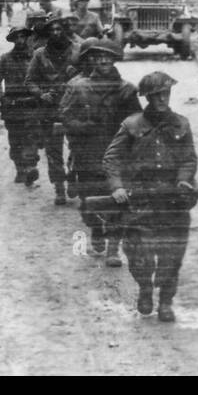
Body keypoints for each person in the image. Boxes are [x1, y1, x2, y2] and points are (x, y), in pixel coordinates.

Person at [104, 71, 198, 322]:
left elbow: (189, 158)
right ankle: (145, 287)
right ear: (147, 98)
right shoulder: (132, 125)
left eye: (165, 94)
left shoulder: (181, 124)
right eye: (156, 95)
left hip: (173, 199)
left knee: (172, 252)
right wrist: (117, 186)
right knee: (138, 252)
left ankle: (166, 301)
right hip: (140, 198)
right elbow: (112, 158)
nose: (162, 99)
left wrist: (184, 180)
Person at [60, 39, 140, 263]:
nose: (104, 61)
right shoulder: (78, 87)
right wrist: (82, 127)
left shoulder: (127, 89)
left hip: (117, 156)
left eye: (108, 57)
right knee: (89, 203)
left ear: (115, 59)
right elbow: (65, 116)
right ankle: (96, 228)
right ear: (92, 60)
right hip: (87, 155)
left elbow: (139, 122)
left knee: (119, 201)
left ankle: (113, 250)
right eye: (98, 57)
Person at [26, 15, 82, 205]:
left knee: (78, 146)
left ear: (65, 31)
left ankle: (73, 175)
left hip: (74, 107)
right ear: (48, 34)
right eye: (52, 31)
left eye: (59, 30)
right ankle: (59, 187)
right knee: (53, 151)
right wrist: (41, 94)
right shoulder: (40, 54)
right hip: (50, 108)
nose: (56, 33)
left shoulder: (77, 51)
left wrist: (78, 76)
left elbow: (89, 75)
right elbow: (30, 81)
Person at [0, 27, 40, 186]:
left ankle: (31, 167)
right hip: (12, 106)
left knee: (31, 137)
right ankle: (20, 168)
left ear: (27, 38)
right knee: (15, 140)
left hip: (31, 104)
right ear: (12, 40)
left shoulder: (36, 57)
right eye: (16, 38)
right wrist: (0, 97)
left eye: (23, 37)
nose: (20, 40)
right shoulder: (6, 59)